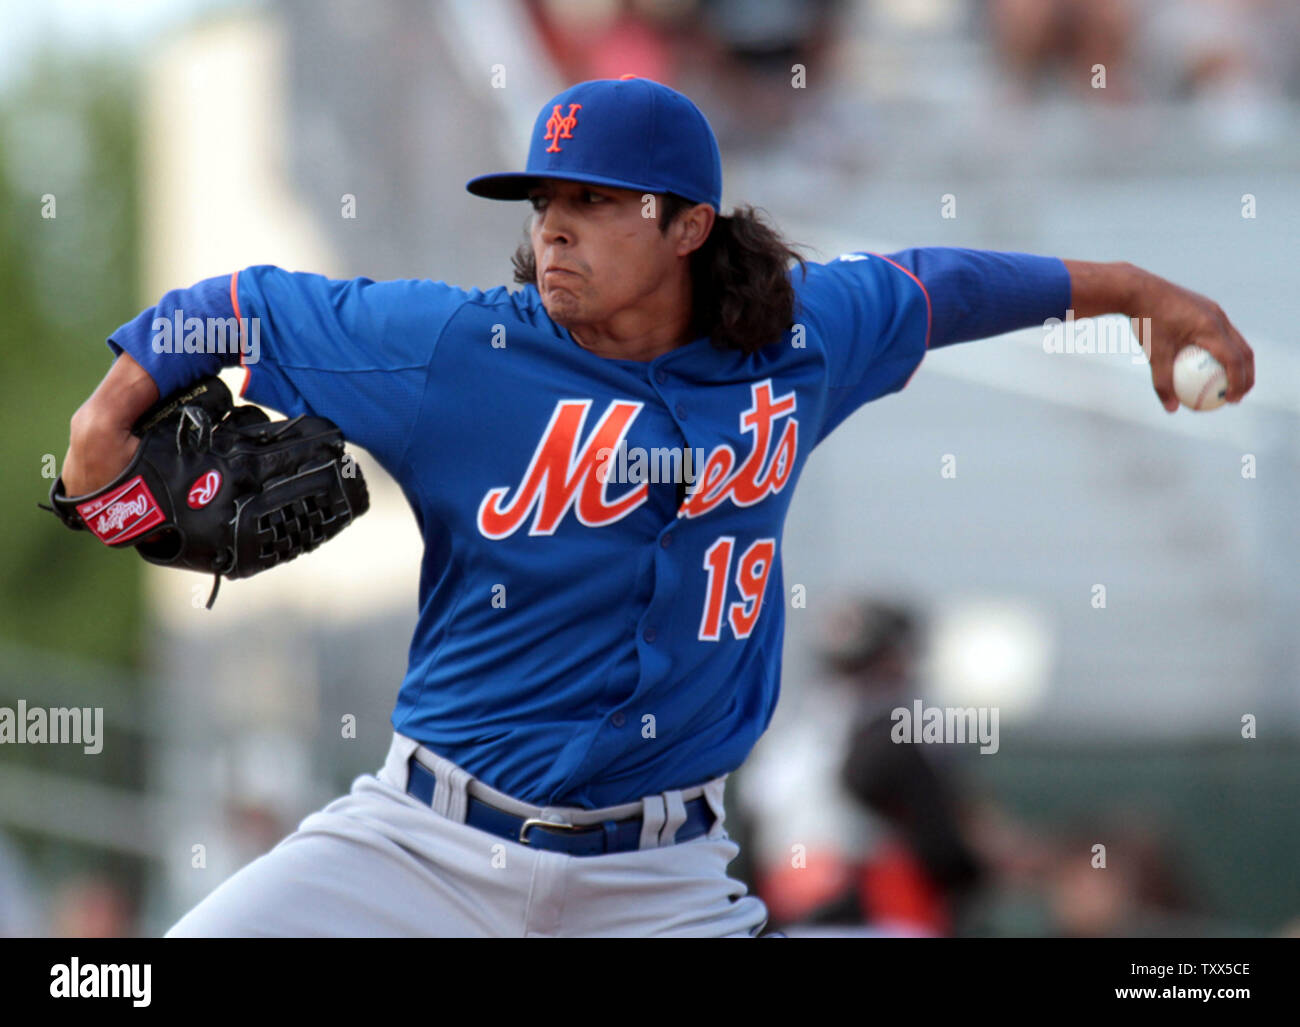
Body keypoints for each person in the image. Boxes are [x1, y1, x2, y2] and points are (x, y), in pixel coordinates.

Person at [59, 76, 1254, 937]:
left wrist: (1143, 293)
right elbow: (244, 303)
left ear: (687, 226)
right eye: (541, 201)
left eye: (595, 198)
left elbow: (953, 286)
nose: (554, 226)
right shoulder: (454, 350)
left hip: (660, 883)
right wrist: (103, 422)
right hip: (422, 847)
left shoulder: (804, 337)